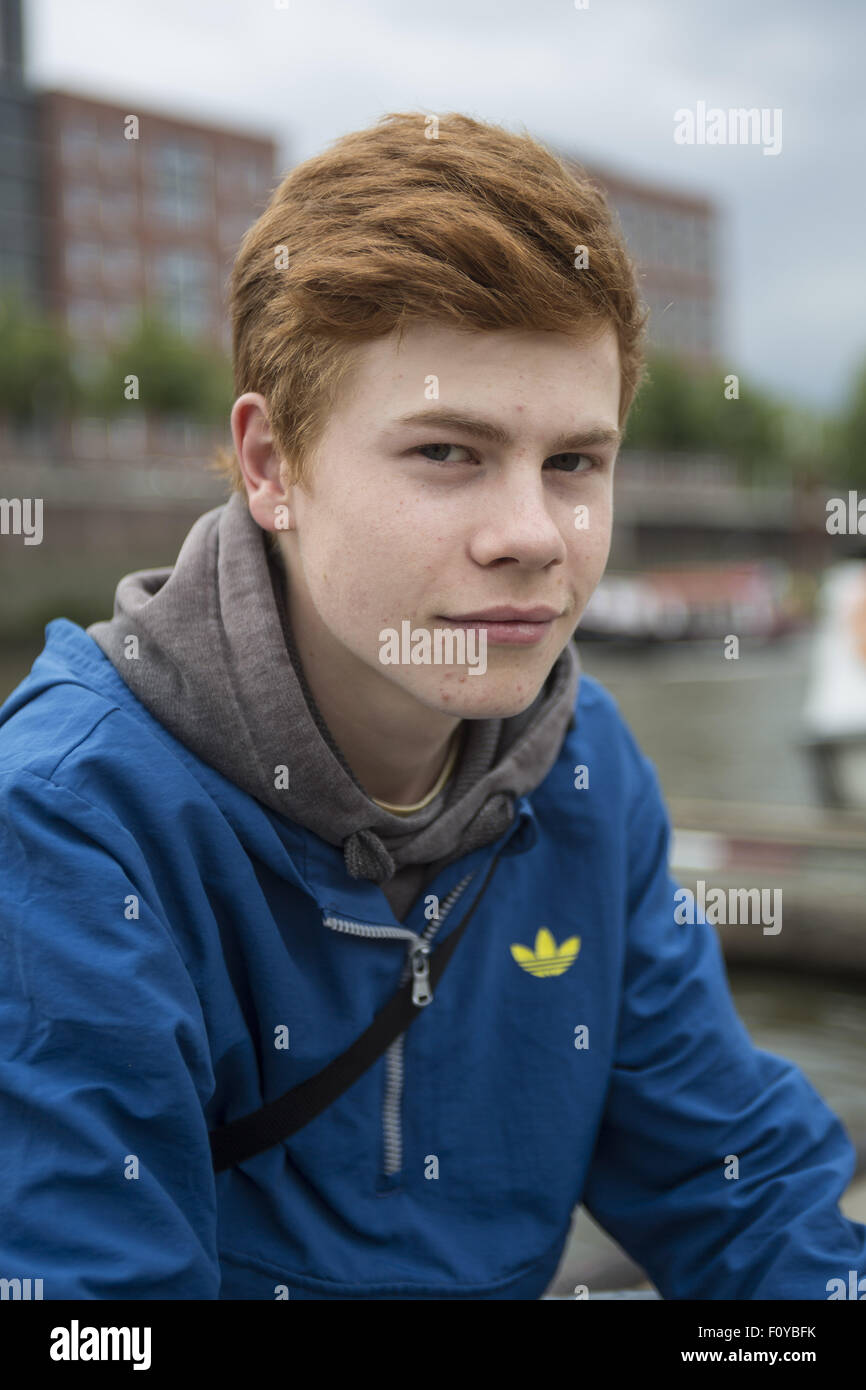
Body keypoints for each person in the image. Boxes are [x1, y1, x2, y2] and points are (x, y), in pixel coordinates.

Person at [0, 110, 863, 1302]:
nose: (531, 537)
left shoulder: (582, 765)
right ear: (270, 467)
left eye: (574, 463)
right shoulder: (69, 821)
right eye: (448, 452)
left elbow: (737, 1189)